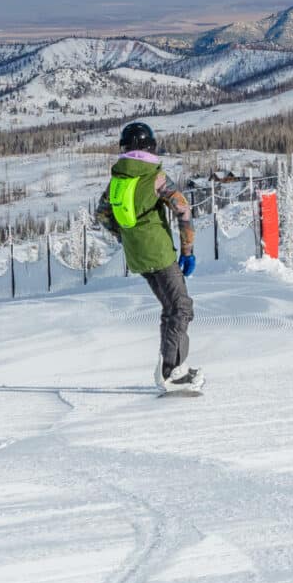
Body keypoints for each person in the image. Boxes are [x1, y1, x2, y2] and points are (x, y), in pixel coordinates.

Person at [95, 121, 202, 392]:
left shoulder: (117, 179)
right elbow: (183, 209)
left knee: (171, 307)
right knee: (181, 307)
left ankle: (172, 366)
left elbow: (102, 214)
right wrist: (187, 250)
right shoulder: (155, 177)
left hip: (137, 256)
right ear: (150, 147)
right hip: (159, 251)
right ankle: (172, 370)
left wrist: (125, 237)